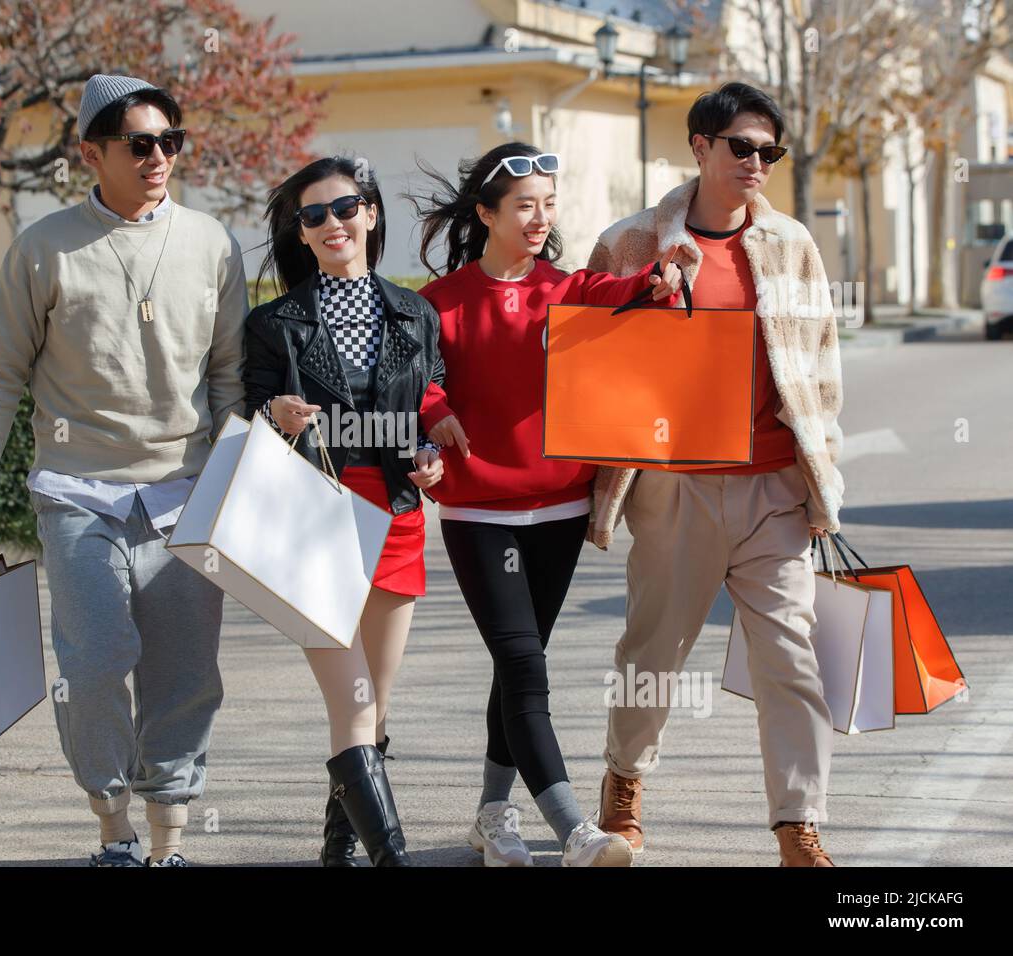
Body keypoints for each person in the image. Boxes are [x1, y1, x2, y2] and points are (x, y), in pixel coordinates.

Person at [0, 73, 248, 867]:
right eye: (139, 143)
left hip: (186, 491)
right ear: (91, 153)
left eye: (171, 141)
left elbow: (229, 375)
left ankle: (168, 841)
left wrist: (233, 476)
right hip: (77, 492)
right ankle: (112, 826)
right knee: (95, 662)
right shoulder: (42, 248)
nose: (159, 157)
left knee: (185, 674)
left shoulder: (213, 244)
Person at [585, 82, 845, 866]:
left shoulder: (792, 244)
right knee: (652, 654)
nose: (757, 162)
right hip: (675, 485)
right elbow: (589, 354)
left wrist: (821, 473)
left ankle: (798, 825)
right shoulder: (631, 241)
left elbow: (821, 365)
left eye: (770, 151)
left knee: (791, 659)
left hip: (773, 487)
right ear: (700, 147)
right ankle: (625, 781)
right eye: (742, 146)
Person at [409, 142, 681, 866]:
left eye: (549, 205)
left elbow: (620, 291)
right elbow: (418, 379)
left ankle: (492, 815)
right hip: (479, 512)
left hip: (559, 510)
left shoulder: (568, 289)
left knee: (517, 667)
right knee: (526, 668)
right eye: (525, 206)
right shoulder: (439, 302)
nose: (540, 218)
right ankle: (575, 832)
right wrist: (435, 409)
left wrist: (659, 279)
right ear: (486, 213)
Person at [242, 157, 446, 867]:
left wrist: (431, 457)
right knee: (355, 701)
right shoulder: (274, 324)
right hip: (313, 519)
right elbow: (243, 414)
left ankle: (339, 844)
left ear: (371, 213)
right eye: (313, 215)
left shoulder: (415, 313)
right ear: (300, 232)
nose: (332, 223)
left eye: (346, 207)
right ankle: (393, 857)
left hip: (396, 517)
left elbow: (427, 406)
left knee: (375, 705)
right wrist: (273, 414)